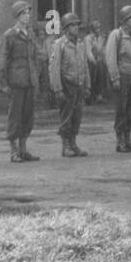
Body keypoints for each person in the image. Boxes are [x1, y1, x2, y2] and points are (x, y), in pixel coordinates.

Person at [0, 0, 40, 162]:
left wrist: (36, 78)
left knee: (27, 116)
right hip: (16, 82)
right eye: (23, 13)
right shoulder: (10, 35)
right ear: (17, 16)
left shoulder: (31, 34)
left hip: (29, 82)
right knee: (15, 116)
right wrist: (3, 84)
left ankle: (23, 149)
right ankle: (13, 151)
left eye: (28, 13)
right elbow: (2, 61)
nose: (27, 16)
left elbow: (35, 58)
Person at [48, 12, 90, 157]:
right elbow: (54, 68)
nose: (76, 27)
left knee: (77, 117)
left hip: (79, 85)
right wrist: (57, 89)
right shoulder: (59, 45)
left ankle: (73, 143)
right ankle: (65, 146)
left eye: (77, 25)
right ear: (66, 28)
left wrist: (87, 85)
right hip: (67, 86)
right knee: (66, 116)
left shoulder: (80, 44)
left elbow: (85, 66)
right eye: (73, 25)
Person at [105, 5, 131, 153]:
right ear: (124, 20)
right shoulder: (116, 35)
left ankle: (128, 139)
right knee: (121, 109)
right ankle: (120, 140)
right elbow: (110, 57)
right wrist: (115, 78)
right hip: (122, 76)